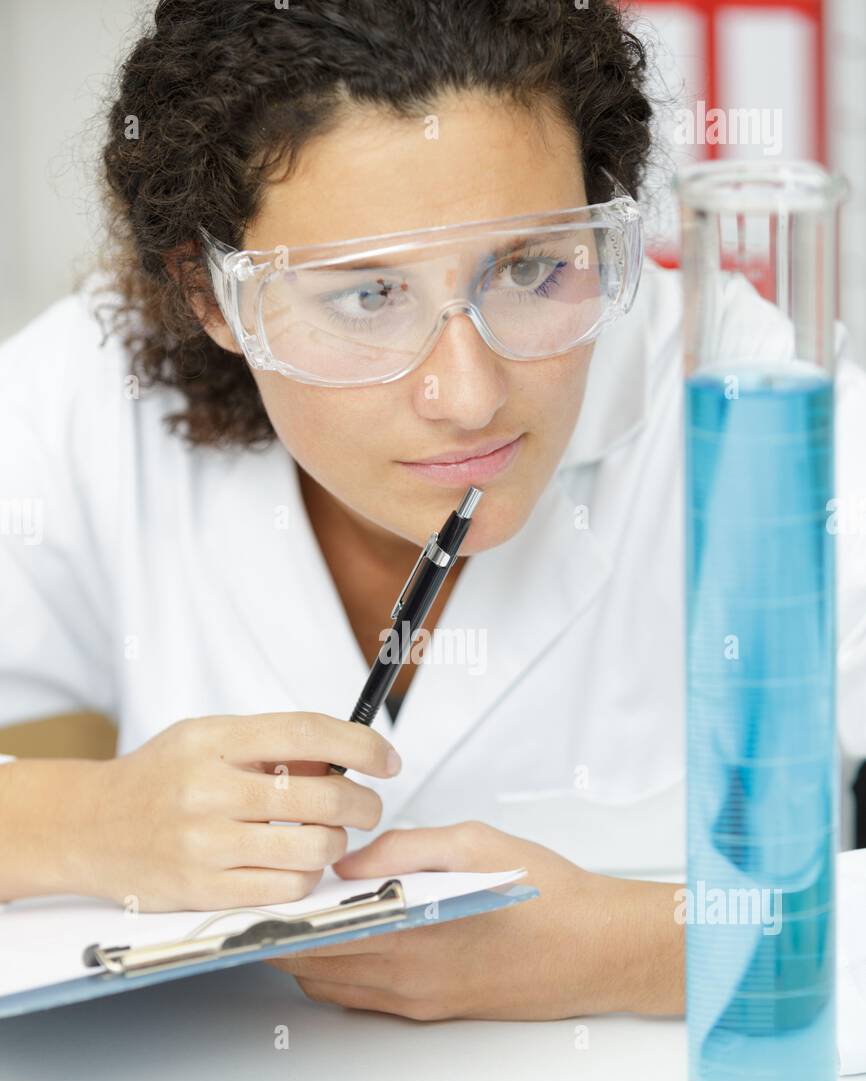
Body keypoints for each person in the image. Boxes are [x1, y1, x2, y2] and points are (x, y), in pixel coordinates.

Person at [1, 0, 864, 1024]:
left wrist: (629, 951)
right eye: (367, 296)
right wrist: (82, 821)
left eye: (532, 267)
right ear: (211, 295)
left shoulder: (752, 395)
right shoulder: (90, 395)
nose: (469, 394)